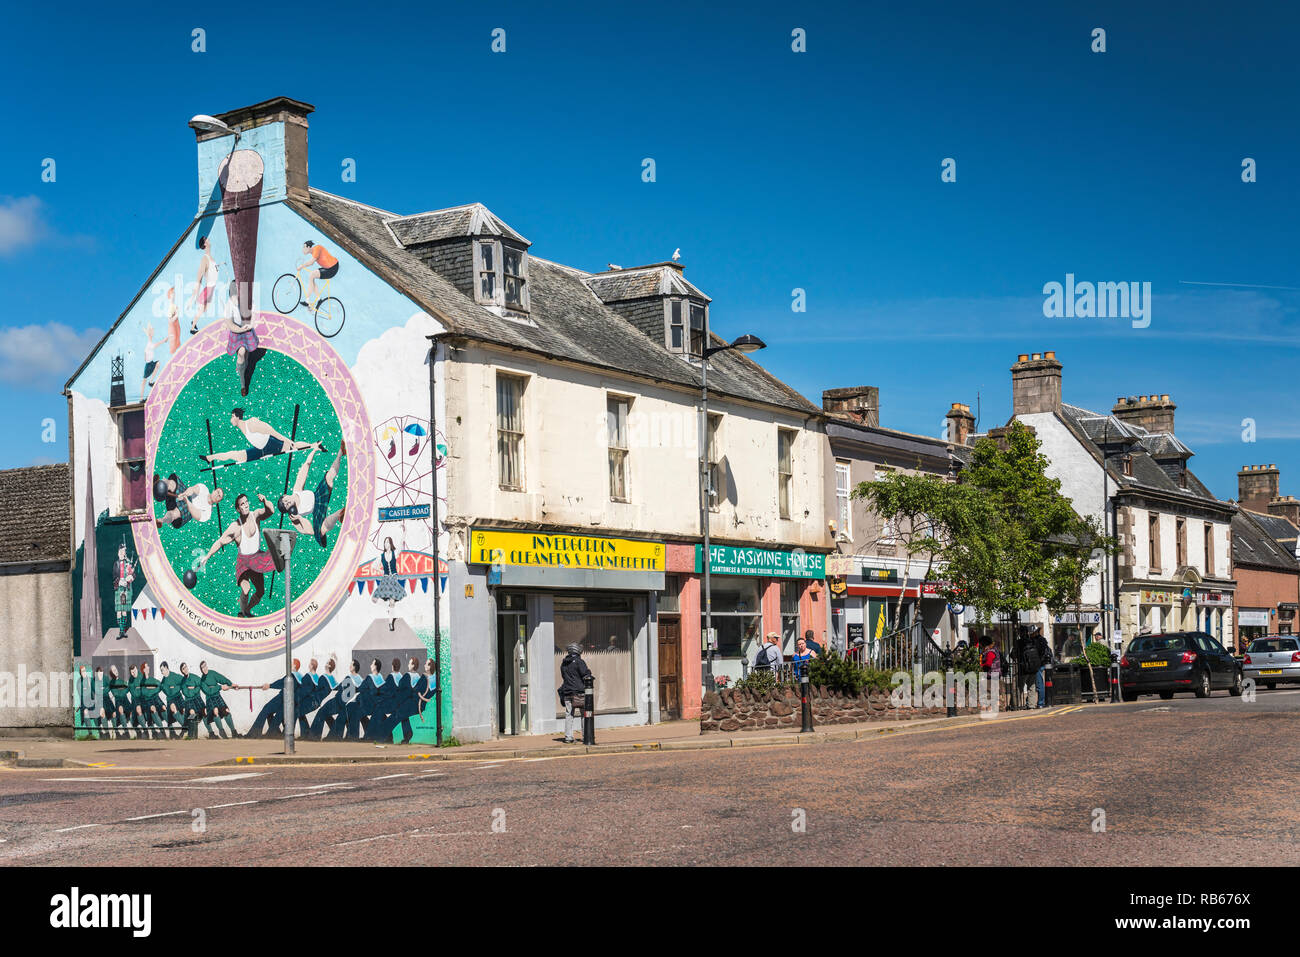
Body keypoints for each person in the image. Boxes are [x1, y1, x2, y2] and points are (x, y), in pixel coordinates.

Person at [200, 492, 275, 617]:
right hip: (244, 562)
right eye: (242, 504)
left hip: (257, 559)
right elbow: (220, 542)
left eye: (246, 502)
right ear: (238, 509)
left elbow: (270, 511)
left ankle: (247, 610)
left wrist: (265, 500)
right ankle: (241, 612)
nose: (245, 505)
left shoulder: (255, 515)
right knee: (246, 589)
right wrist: (207, 556)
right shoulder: (235, 527)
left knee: (261, 592)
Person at [279, 443, 347, 548]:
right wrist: (299, 518)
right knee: (320, 532)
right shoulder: (294, 516)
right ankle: (340, 513)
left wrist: (314, 450)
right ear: (289, 509)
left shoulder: (296, 490)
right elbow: (310, 531)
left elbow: (306, 465)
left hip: (318, 495)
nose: (286, 502)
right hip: (316, 511)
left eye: (285, 500)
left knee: (329, 477)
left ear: (285, 495)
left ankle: (341, 452)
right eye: (286, 505)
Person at [202, 409, 319, 466]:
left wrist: (287, 440)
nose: (231, 419)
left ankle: (313, 445)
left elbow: (272, 431)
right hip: (259, 450)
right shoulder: (242, 428)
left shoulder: (251, 423)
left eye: (232, 417)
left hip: (271, 445)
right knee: (236, 455)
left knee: (294, 446)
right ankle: (210, 458)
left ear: (237, 417)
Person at [223, 280, 259, 396]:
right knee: (241, 353)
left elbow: (254, 314)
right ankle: (243, 383)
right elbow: (230, 324)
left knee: (245, 352)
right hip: (238, 332)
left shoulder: (248, 301)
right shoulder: (229, 305)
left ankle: (244, 364)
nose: (236, 299)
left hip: (246, 329)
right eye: (234, 296)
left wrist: (251, 324)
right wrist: (241, 329)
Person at [558, 643, 592, 744]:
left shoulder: (564, 663)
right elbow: (586, 674)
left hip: (567, 692)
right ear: (577, 651)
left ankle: (568, 737)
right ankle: (586, 736)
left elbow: (564, 677)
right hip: (579, 692)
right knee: (584, 714)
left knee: (569, 715)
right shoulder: (579, 662)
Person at [371, 537, 405, 630]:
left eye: (387, 542)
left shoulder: (395, 553)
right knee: (374, 599)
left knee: (392, 601)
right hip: (385, 579)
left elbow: (401, 545)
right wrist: (380, 571)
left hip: (393, 579)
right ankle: (388, 608)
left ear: (390, 544)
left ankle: (390, 623)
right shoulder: (381, 556)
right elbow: (373, 566)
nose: (386, 544)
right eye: (385, 542)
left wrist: (404, 534)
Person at [199, 660, 238, 738]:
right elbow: (209, 691)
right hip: (210, 699)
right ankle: (222, 731)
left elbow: (221, 678)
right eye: (202, 667)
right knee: (215, 711)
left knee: (227, 711)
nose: (205, 668)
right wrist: (219, 687)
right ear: (201, 669)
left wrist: (231, 684)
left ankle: (234, 732)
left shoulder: (212, 673)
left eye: (205, 666)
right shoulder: (202, 681)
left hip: (217, 697)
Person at [298, 240, 339, 310]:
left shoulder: (317, 249)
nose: (303, 249)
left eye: (304, 247)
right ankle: (318, 299)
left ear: (309, 247)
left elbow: (311, 262)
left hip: (332, 268)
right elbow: (312, 261)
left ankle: (308, 300)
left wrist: (301, 266)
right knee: (312, 276)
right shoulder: (313, 252)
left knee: (312, 275)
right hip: (329, 267)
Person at [192, 234, 221, 329]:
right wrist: (195, 294)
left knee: (205, 309)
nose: (208, 239)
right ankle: (192, 328)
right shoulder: (205, 258)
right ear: (205, 243)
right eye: (206, 239)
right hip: (209, 288)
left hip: (212, 288)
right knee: (202, 310)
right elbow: (199, 276)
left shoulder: (210, 258)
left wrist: (218, 266)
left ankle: (194, 321)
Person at [136, 662, 165, 738]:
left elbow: (160, 686)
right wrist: (153, 688)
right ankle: (152, 731)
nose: (148, 667)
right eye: (146, 667)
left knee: (161, 708)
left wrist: (151, 689)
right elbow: (145, 692)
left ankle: (162, 731)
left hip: (155, 700)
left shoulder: (152, 679)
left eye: (148, 666)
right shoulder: (142, 681)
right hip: (145, 701)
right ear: (143, 670)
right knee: (150, 709)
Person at [176, 663, 205, 739]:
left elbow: (200, 685)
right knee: (192, 713)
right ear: (181, 671)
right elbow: (187, 693)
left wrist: (194, 688)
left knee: (205, 711)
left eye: (185, 667)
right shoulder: (183, 682)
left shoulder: (194, 677)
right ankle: (192, 736)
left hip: (198, 700)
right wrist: (195, 689)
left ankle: (211, 733)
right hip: (189, 701)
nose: (185, 669)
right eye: (183, 669)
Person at [140, 323, 168, 401]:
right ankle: (141, 398)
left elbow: (147, 334)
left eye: (153, 332)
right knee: (143, 382)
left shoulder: (149, 341)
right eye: (152, 332)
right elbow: (156, 345)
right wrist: (164, 340)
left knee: (158, 364)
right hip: (148, 365)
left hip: (151, 362)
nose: (153, 333)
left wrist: (144, 329)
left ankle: (151, 382)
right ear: (150, 334)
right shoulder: (150, 344)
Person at [158, 661, 184, 738]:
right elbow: (160, 689)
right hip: (170, 700)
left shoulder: (175, 676)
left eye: (162, 670)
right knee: (171, 709)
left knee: (184, 713)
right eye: (161, 670)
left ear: (166, 668)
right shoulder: (162, 682)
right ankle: (184, 727)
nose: (162, 672)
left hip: (178, 697)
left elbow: (184, 681)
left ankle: (184, 729)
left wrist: (175, 688)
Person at [106, 664, 131, 738]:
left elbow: (127, 689)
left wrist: (122, 691)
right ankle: (126, 733)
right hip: (118, 702)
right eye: (113, 670)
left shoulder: (122, 681)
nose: (116, 671)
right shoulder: (111, 683)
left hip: (125, 701)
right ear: (111, 673)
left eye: (116, 669)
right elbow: (116, 693)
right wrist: (122, 691)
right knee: (120, 709)